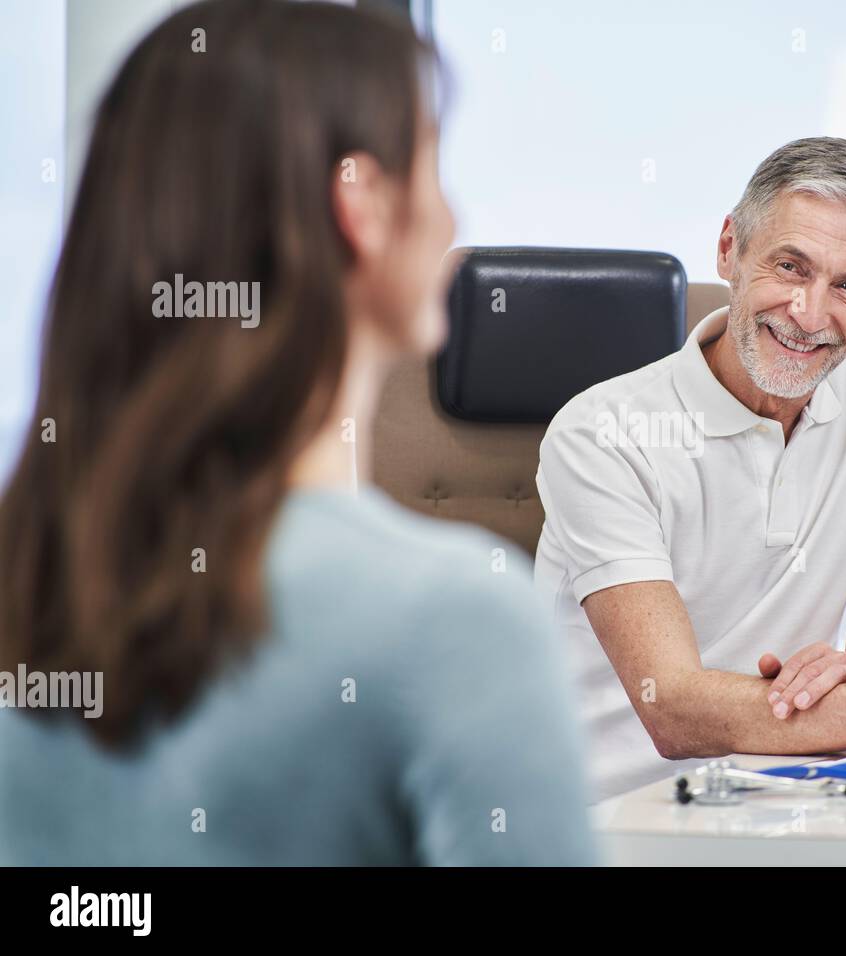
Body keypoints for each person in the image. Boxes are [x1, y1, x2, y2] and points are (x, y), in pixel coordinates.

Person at [0, 0, 595, 866]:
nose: (453, 219)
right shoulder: (454, 617)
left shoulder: (28, 560)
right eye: (432, 169)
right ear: (361, 206)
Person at [534, 137, 846, 800]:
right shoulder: (602, 432)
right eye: (792, 267)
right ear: (729, 251)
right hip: (610, 815)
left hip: (789, 794)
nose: (809, 314)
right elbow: (673, 710)